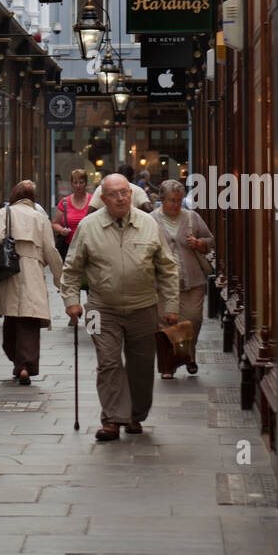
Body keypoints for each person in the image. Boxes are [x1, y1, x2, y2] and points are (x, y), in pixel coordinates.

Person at [61, 173, 179, 442]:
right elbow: (71, 269)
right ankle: (112, 418)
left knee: (141, 365)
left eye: (125, 192)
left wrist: (171, 304)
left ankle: (135, 415)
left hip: (144, 307)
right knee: (108, 362)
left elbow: (168, 267)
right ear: (103, 199)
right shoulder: (89, 226)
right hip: (99, 309)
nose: (121, 198)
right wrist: (71, 302)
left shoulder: (148, 223)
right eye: (114, 194)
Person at [0, 181, 62, 384]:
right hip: (33, 270)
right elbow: (51, 250)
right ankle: (26, 366)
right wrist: (59, 278)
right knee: (29, 317)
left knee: (11, 316)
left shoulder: (6, 212)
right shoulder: (41, 217)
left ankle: (16, 360)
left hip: (10, 270)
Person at [151, 180, 214, 376]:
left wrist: (198, 243)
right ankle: (168, 365)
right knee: (165, 323)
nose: (175, 204)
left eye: (178, 200)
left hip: (193, 280)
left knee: (193, 320)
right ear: (162, 200)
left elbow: (210, 241)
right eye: (171, 200)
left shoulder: (192, 217)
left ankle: (188, 353)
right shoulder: (150, 219)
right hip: (162, 283)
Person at [51, 168, 92, 258]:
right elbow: (55, 224)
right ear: (71, 184)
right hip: (69, 248)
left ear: (86, 183)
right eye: (75, 182)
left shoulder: (92, 201)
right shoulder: (64, 202)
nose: (78, 186)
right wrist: (62, 230)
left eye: (81, 182)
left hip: (89, 247)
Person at [88, 164, 152, 213]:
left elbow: (90, 211)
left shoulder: (102, 188)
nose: (120, 198)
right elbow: (148, 209)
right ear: (132, 177)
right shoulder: (138, 190)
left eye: (124, 193)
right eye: (112, 194)